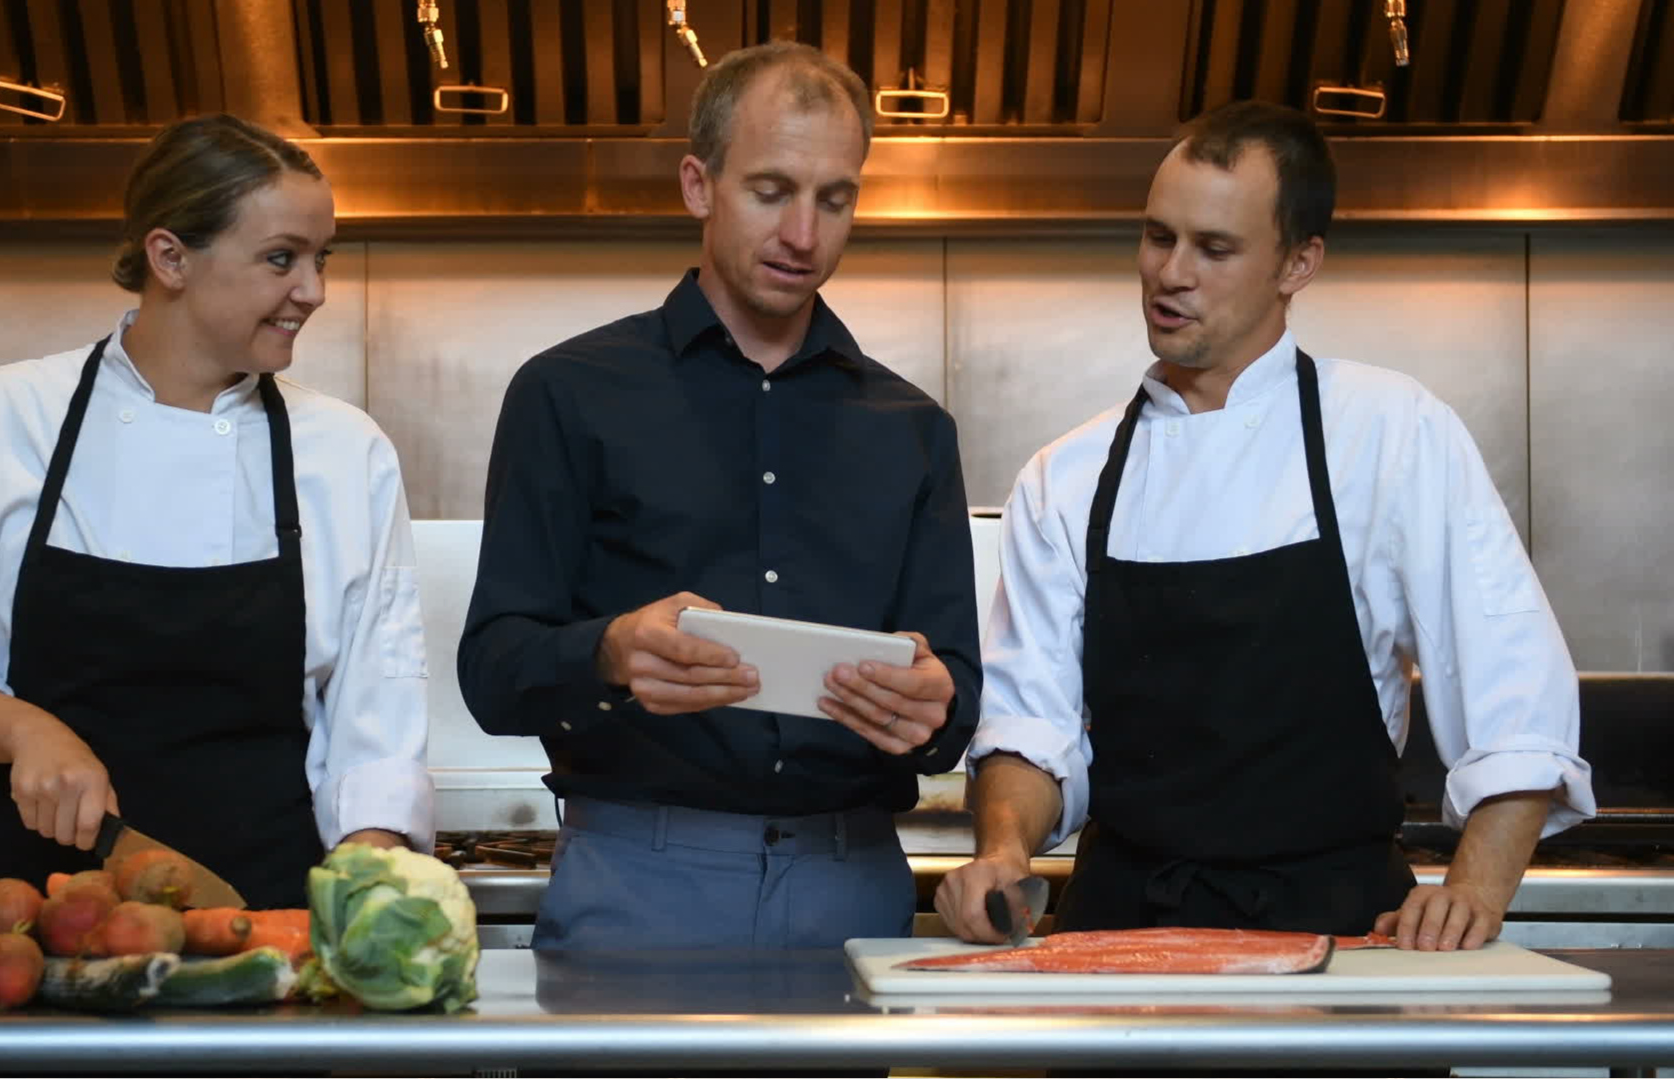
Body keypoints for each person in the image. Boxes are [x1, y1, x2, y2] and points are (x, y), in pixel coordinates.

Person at [937, 100, 1593, 952]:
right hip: (1127, 932)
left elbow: (1518, 699)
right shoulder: (1067, 476)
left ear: (1298, 262)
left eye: (1214, 249)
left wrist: (1472, 889)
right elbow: (1030, 725)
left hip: (1343, 932)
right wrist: (1002, 850)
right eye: (1157, 236)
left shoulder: (1390, 431)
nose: (1171, 273)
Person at [458, 41, 981, 950]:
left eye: (835, 198)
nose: (804, 235)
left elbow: (960, 690)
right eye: (771, 191)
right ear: (699, 185)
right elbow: (494, 669)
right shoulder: (567, 392)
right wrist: (611, 652)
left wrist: (937, 708)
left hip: (852, 885)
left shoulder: (914, 427)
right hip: (636, 877)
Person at [0, 114, 432, 907]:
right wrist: (26, 731)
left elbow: (377, 706)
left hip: (260, 919)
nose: (314, 290)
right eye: (280, 259)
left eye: (319, 258)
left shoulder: (345, 451)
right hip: (29, 918)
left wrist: (369, 873)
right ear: (170, 257)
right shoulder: (4, 418)